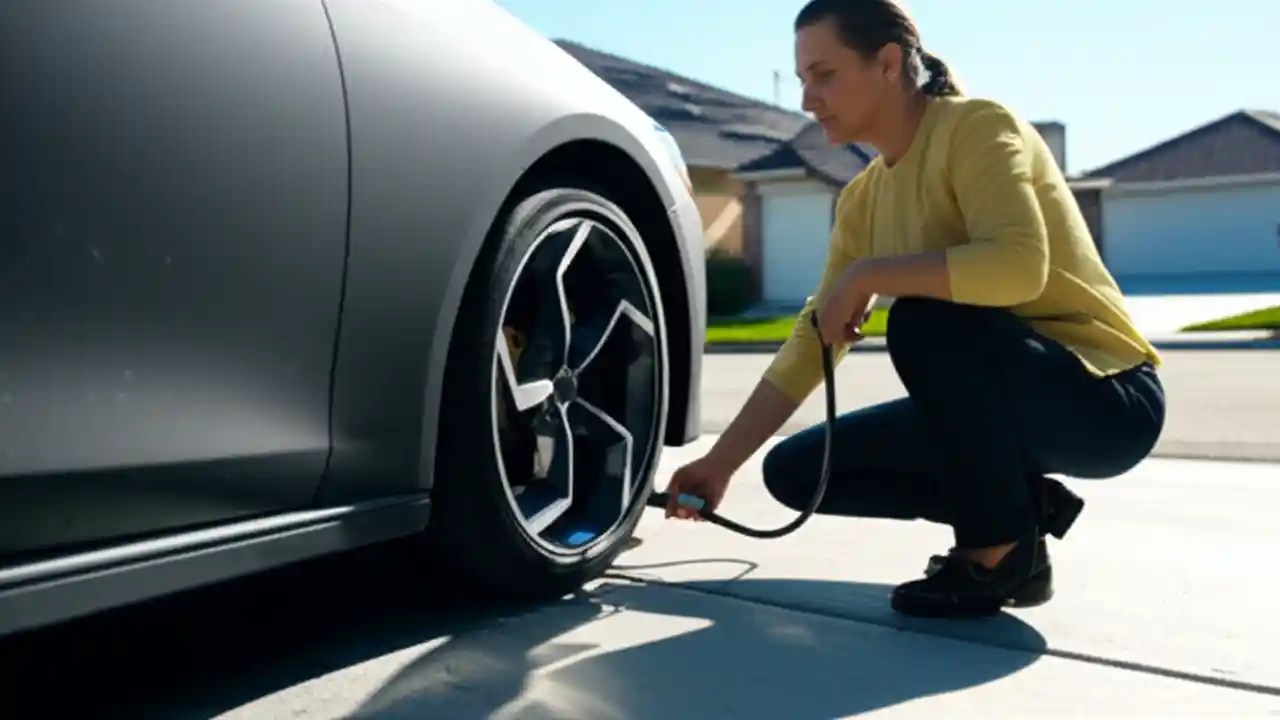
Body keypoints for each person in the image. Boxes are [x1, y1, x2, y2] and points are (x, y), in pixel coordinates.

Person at [663, 0, 1166, 618]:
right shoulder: (862, 200)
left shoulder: (977, 126)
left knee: (926, 321)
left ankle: (994, 552)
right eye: (801, 81)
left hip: (1104, 400)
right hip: (1003, 408)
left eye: (823, 75)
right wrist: (720, 463)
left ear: (887, 63)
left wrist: (871, 274)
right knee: (796, 473)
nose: (807, 99)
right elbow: (814, 342)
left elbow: (1018, 264)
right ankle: (1019, 526)